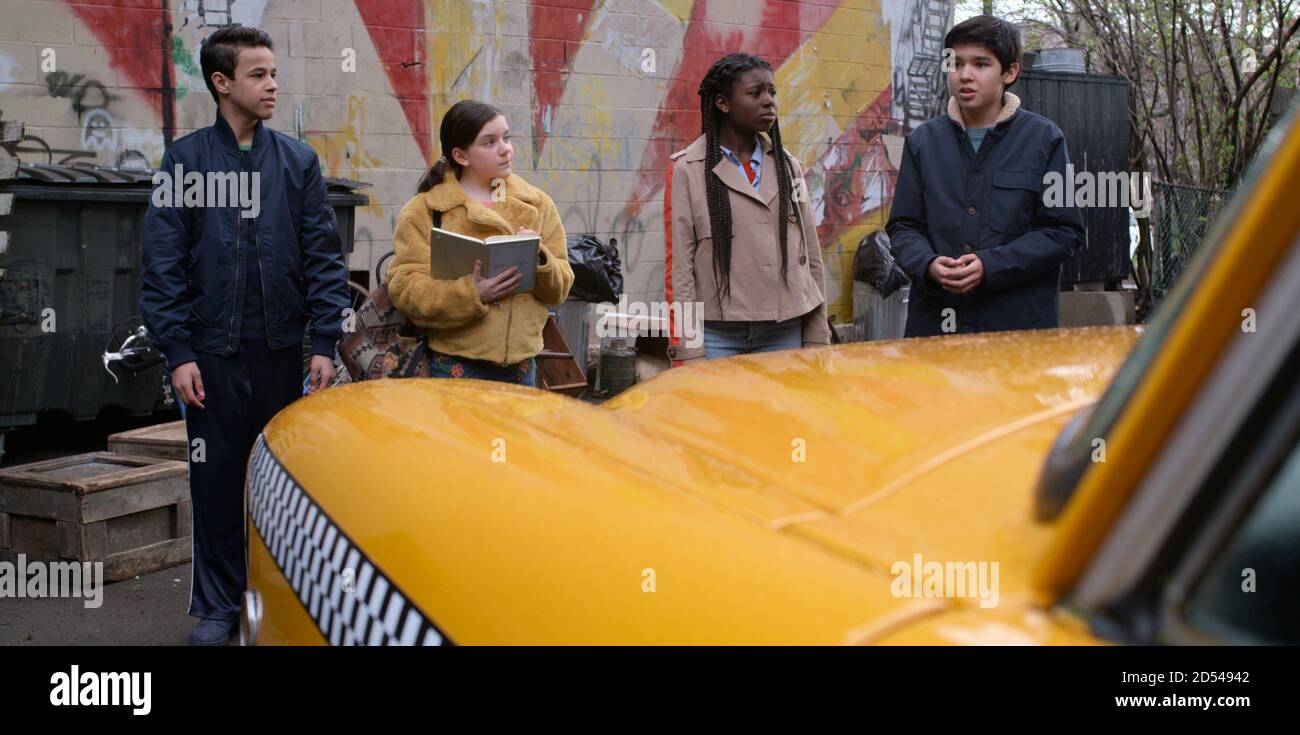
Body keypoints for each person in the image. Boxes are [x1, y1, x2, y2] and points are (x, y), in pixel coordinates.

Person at [139, 25, 349, 645]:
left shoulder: (297, 162)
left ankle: (275, 602)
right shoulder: (184, 162)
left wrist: (323, 341)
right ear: (221, 82)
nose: (272, 85)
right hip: (211, 358)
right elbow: (162, 263)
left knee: (282, 485)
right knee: (216, 480)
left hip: (283, 353)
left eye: (274, 73)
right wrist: (177, 352)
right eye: (258, 75)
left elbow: (323, 256)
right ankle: (216, 608)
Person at [887, 15, 1085, 337]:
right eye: (956, 63)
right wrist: (927, 263)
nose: (965, 75)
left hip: (1016, 331)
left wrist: (991, 265)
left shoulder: (1044, 140)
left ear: (1010, 72)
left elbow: (1064, 231)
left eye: (981, 64)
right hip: (937, 329)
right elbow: (903, 226)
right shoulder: (922, 143)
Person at [387, 100, 574, 385]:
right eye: (489, 142)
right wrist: (471, 293)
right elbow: (404, 289)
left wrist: (540, 259)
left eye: (506, 137)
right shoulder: (427, 210)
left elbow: (560, 289)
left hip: (523, 367)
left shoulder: (537, 205)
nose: (505, 149)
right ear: (461, 156)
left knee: (515, 433)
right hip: (454, 367)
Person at [664, 53, 830, 364]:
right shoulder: (688, 170)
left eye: (772, 92)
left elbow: (811, 257)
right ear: (722, 103)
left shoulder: (788, 167)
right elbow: (680, 269)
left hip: (785, 330)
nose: (769, 101)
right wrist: (688, 349)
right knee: (719, 413)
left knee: (780, 414)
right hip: (716, 334)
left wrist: (817, 335)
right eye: (755, 93)